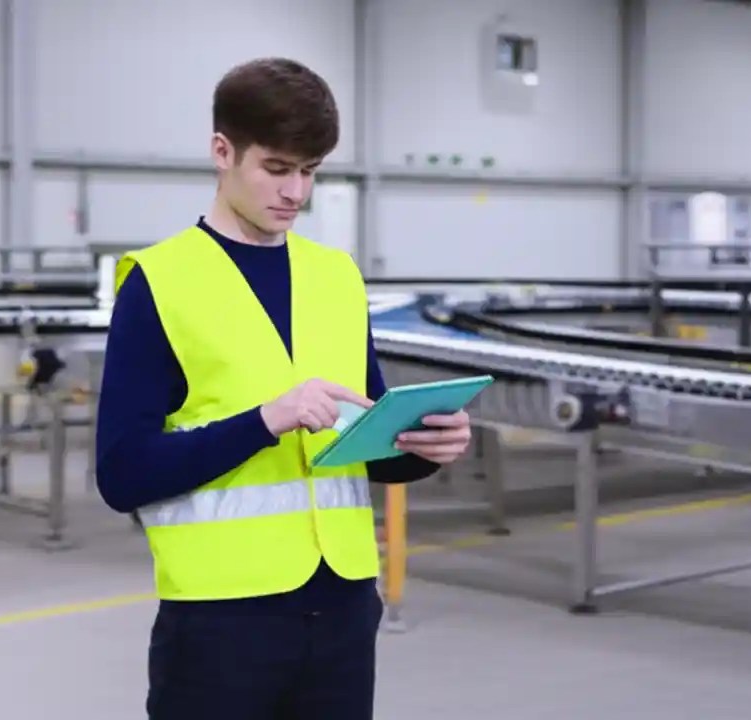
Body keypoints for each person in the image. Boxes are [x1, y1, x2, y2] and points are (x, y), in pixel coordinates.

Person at [93, 57, 474, 720]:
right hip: (221, 619)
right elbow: (122, 474)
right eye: (277, 168)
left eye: (310, 171)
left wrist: (423, 446)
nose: (295, 192)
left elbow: (363, 442)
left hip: (345, 607)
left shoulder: (336, 278)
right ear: (222, 152)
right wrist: (264, 419)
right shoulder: (159, 284)